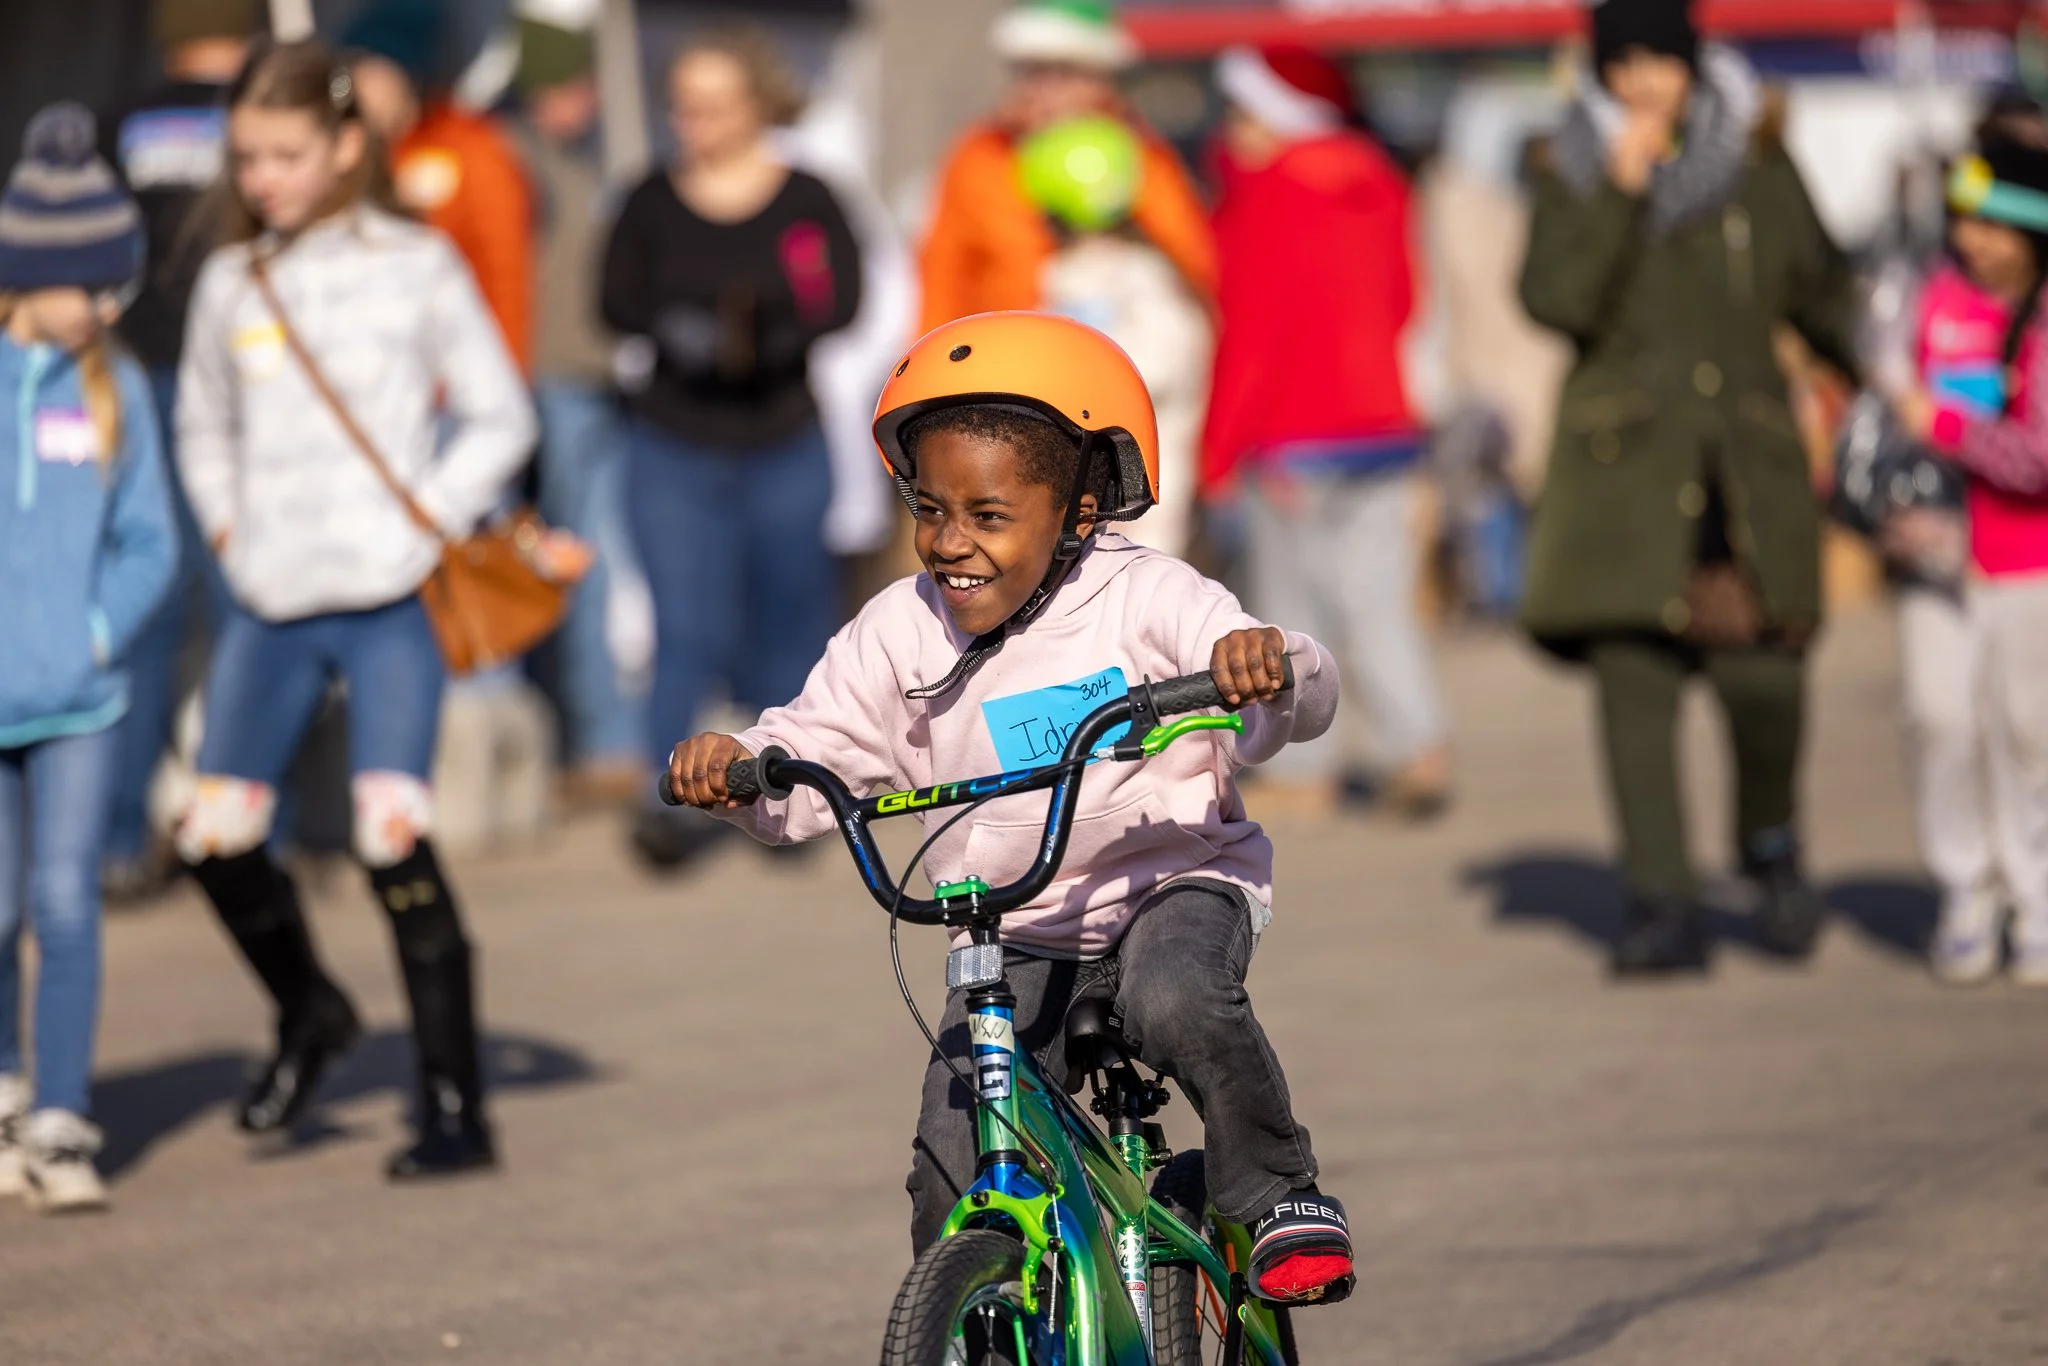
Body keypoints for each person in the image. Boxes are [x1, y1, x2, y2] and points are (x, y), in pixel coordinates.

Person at [664, 311, 1357, 1306]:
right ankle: (984, 1308)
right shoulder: (898, 630)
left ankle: (1274, 1192)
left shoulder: (1142, 597)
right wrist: (743, 765)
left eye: (987, 517)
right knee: (951, 1150)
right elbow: (812, 745)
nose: (949, 544)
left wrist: (1265, 667)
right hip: (1013, 922)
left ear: (1078, 511)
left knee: (1174, 999)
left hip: (1167, 883)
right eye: (929, 508)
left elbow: (1296, 682)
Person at [175, 38, 535, 1177]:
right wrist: (230, 532)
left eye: (285, 153)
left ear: (343, 147)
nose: (261, 177)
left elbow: (500, 416)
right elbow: (200, 425)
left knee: (390, 831)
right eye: (245, 157)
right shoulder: (232, 279)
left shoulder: (416, 263)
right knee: (211, 832)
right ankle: (310, 1009)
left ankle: (451, 1101)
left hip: (385, 595)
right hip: (272, 597)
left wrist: (425, 519)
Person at [1517, 0, 1859, 973]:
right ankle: (1659, 901)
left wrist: (1882, 376)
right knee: (1635, 687)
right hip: (1622, 477)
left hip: (1740, 469)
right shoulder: (1567, 164)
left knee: (1766, 681)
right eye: (1619, 63)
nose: (1638, 81)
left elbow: (1818, 283)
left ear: (1688, 63)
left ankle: (1768, 844)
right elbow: (1553, 299)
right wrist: (1617, 193)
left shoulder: (1755, 156)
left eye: (1655, 59)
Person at [600, 28, 861, 870]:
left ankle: (783, 790)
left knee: (789, 619)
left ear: (757, 107)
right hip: (675, 439)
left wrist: (779, 332)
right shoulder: (651, 197)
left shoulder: (806, 197)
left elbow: (842, 296)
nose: (693, 122)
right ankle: (668, 800)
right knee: (686, 623)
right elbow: (613, 300)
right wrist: (676, 332)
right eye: (682, 105)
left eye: (712, 106)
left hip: (782, 436)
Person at [0, 104, 179, 1212]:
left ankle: (64, 1113)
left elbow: (152, 539)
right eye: (94, 286)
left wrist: (95, 632)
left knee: (67, 901)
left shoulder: (120, 387)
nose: (110, 307)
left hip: (79, 704)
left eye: (120, 288)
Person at [1204, 43, 1452, 817]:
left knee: (1292, 609)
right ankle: (1419, 746)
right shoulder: (1381, 181)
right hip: (1381, 422)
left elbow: (1250, 335)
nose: (1232, 129)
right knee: (1377, 597)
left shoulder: (1264, 192)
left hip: (1292, 433)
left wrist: (1216, 450)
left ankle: (1302, 772)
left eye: (1241, 111)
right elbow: (1409, 299)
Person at [100, 0, 262, 901]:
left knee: (149, 607)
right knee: (248, 607)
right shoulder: (268, 114)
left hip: (152, 376)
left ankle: (122, 837)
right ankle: (239, 829)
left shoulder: (125, 118)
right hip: (250, 386)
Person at [1892, 136, 2048, 986]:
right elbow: (1890, 401)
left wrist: (1944, 425)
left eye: (1992, 223)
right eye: (1962, 221)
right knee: (1940, 718)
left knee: (2030, 733)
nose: (1973, 239)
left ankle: (2038, 894)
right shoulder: (1929, 299)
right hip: (1935, 554)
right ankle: (1965, 886)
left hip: (2031, 557)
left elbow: (2040, 453)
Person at [511, 11, 644, 803]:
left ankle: (600, 740)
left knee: (588, 560)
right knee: (558, 559)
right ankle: (585, 734)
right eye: (566, 84)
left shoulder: (593, 159)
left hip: (591, 376)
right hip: (543, 377)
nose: (582, 99)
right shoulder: (517, 162)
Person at [917, 0, 1214, 333]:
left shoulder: (1143, 155)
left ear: (1103, 82)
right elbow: (941, 275)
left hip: (1114, 359)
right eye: (1033, 73)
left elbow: (1194, 263)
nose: (1047, 91)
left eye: (1066, 73)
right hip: (1000, 357)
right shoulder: (982, 156)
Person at [1017, 113, 1211, 558]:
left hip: (1138, 486)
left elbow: (1161, 364)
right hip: (1072, 486)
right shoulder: (1060, 273)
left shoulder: (1141, 275)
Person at [346, 0, 533, 368]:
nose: (355, 92)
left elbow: (503, 273)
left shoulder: (469, 148)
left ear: (405, 74)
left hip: (454, 380)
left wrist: (501, 376)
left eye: (367, 74)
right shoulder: (357, 154)